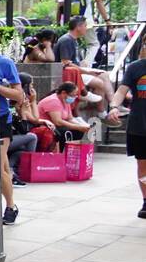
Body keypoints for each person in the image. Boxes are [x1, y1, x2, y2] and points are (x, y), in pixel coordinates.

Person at [107, 52, 145, 218]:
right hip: (140, 124)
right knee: (143, 165)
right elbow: (121, 91)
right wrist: (114, 106)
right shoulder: (135, 67)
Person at [54, 15, 114, 110]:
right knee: (99, 83)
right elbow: (65, 63)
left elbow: (74, 61)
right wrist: (88, 72)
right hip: (70, 72)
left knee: (104, 74)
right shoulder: (67, 40)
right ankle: (101, 111)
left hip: (77, 70)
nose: (86, 29)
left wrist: (84, 66)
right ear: (78, 27)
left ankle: (113, 104)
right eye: (85, 26)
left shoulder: (74, 40)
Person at [7, 72, 50, 182]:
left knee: (21, 150)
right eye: (31, 85)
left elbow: (35, 119)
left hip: (14, 137)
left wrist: (33, 101)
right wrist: (23, 113)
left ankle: (12, 170)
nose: (32, 88)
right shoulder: (11, 104)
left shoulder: (23, 101)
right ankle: (29, 167)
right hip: (6, 138)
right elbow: (25, 130)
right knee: (32, 137)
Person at [0, 52, 24, 224]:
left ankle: (10, 206)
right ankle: (11, 206)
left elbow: (18, 95)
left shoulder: (5, 63)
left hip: (0, 119)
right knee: (3, 165)